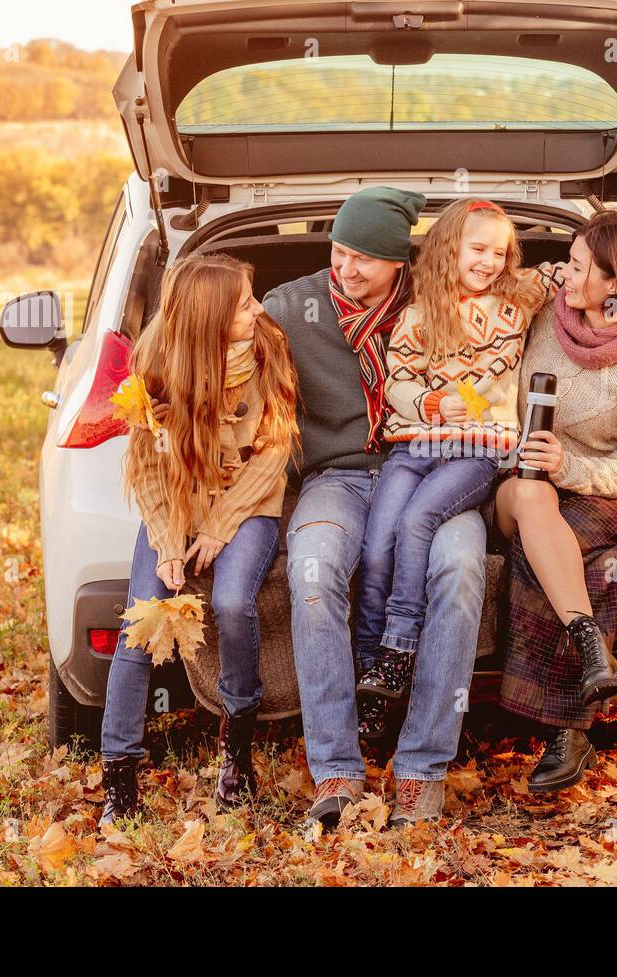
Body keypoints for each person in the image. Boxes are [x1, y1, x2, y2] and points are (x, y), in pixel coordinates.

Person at [261, 187, 488, 829]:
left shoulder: (440, 302)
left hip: (432, 475)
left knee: (462, 570)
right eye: (338, 249)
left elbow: (524, 297)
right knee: (312, 567)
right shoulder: (291, 308)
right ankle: (336, 768)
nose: (346, 267)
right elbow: (212, 340)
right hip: (339, 479)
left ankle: (421, 767)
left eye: (364, 257)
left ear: (399, 263)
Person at [99, 254, 299, 823]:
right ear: (210, 319)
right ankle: (119, 778)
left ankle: (236, 752)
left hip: (247, 505)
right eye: (244, 303)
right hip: (178, 506)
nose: (258, 309)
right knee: (142, 620)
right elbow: (148, 467)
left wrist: (220, 526)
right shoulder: (155, 362)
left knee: (234, 603)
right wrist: (167, 543)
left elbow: (273, 455)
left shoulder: (267, 351)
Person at [353, 198, 564, 736]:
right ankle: (370, 671)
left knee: (417, 521)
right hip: (413, 446)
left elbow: (577, 273)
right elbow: (395, 380)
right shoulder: (419, 314)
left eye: (500, 251)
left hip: (477, 449)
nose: (490, 261)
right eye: (478, 249)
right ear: (449, 248)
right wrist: (427, 403)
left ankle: (399, 648)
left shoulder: (517, 299)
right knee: (376, 545)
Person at [496, 209, 617, 793]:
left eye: (577, 266)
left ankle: (567, 729)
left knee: (583, 555)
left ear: (614, 286)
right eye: (568, 262)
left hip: (597, 490)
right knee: (531, 499)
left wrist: (567, 464)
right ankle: (591, 652)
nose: (565, 275)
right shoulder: (547, 314)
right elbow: (485, 302)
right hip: (513, 479)